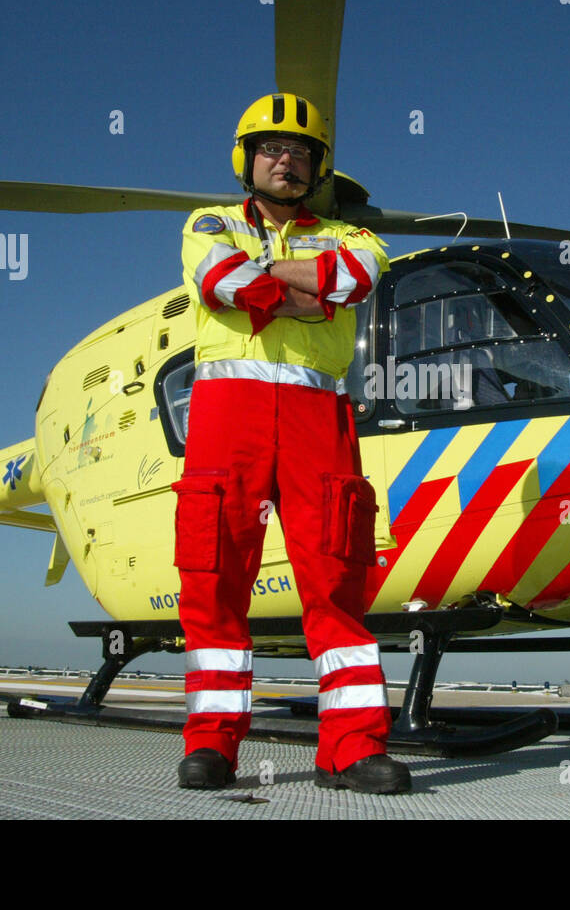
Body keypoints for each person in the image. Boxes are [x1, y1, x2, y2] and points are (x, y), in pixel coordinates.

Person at [172, 93, 410, 794]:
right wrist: (306, 294)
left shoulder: (354, 236)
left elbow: (358, 278)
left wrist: (262, 282)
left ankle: (354, 748)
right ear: (247, 160)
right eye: (274, 148)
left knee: (337, 573)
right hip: (226, 412)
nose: (288, 160)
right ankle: (212, 744)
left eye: (302, 151)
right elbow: (218, 278)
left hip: (317, 413)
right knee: (214, 571)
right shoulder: (206, 222)